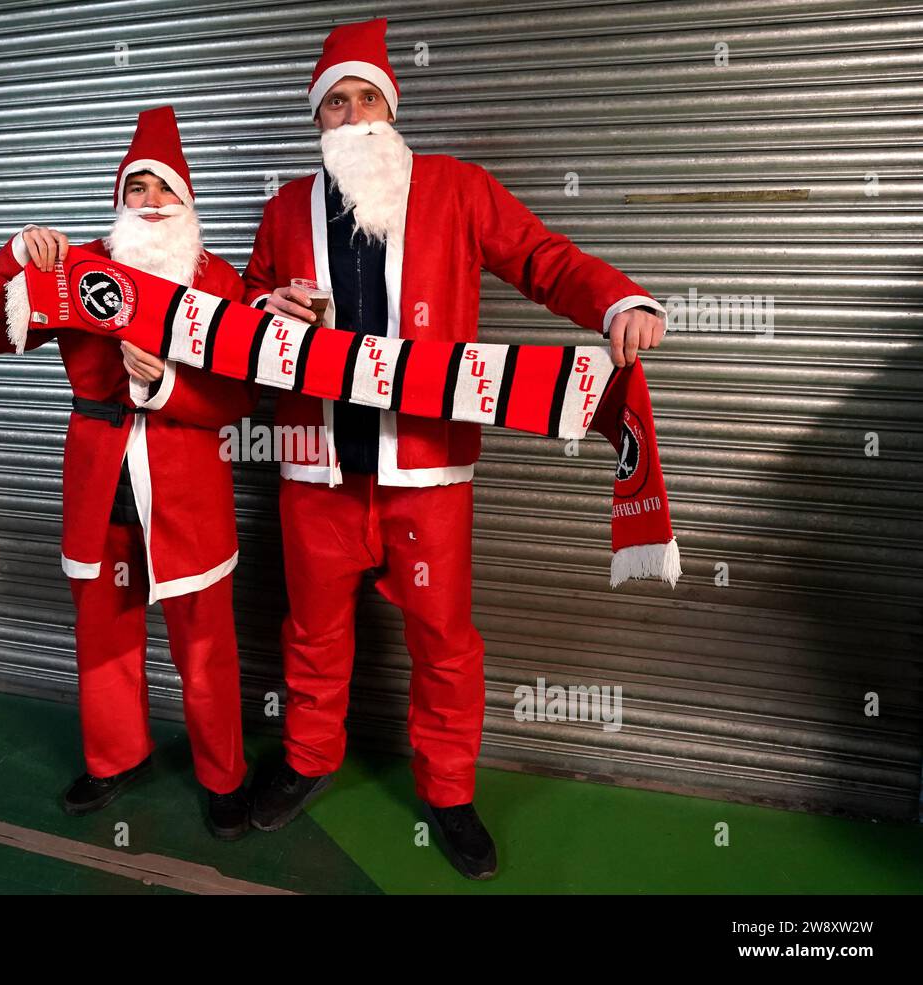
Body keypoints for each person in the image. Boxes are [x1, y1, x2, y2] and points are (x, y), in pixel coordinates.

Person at [242, 18, 667, 878]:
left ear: (391, 108)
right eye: (336, 103)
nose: (354, 114)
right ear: (316, 119)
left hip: (426, 470)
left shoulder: (456, 188)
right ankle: (308, 758)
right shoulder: (284, 206)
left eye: (367, 98)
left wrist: (618, 301)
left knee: (443, 638)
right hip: (313, 466)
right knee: (312, 632)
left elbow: (543, 258)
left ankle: (448, 790)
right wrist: (265, 309)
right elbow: (244, 302)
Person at [0, 106, 259, 840]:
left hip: (188, 487)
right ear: (120, 199)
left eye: (166, 188)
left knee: (206, 644)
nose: (153, 202)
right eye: (139, 189)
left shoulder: (217, 280)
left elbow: (240, 395)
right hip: (101, 484)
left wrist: (167, 385)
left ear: (189, 201)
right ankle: (114, 756)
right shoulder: (76, 268)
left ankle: (224, 776)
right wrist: (14, 256)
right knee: (103, 635)